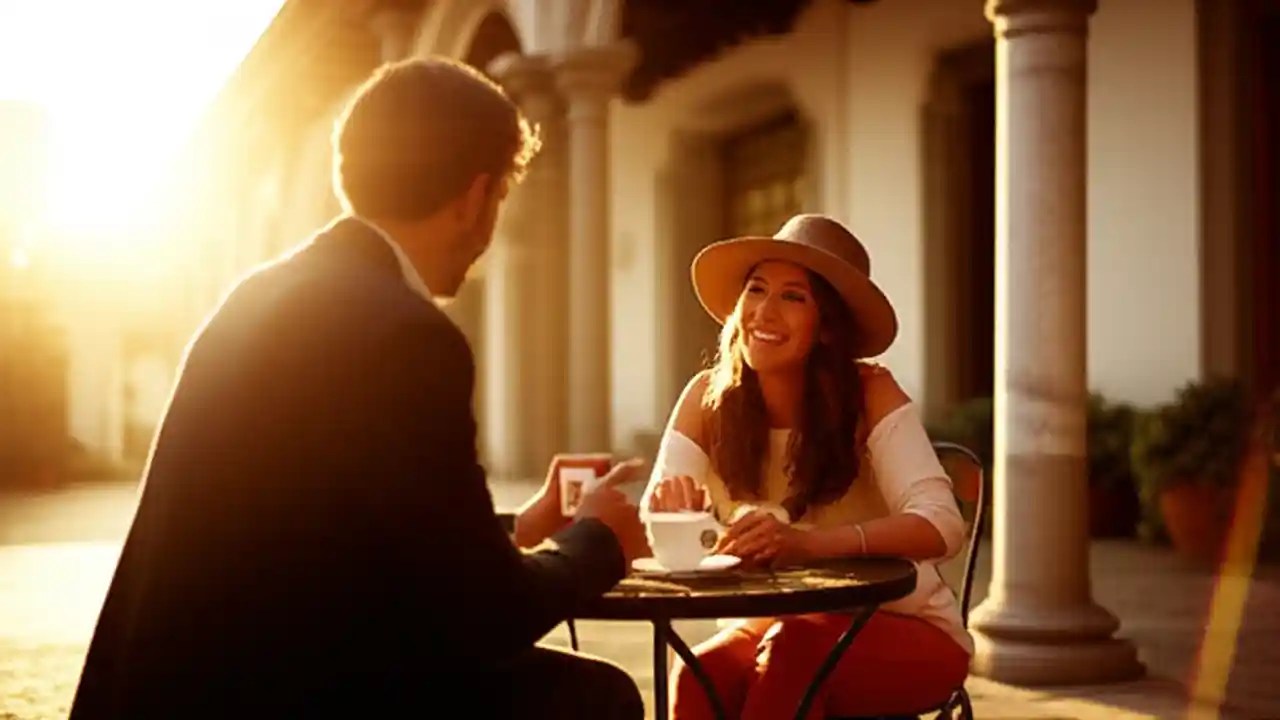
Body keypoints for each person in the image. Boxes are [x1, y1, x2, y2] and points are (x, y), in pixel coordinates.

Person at [68, 57, 646, 720]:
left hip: (177, 686)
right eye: (500, 200)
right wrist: (599, 538)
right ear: (475, 198)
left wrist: (519, 530)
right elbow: (488, 616)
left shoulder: (263, 293)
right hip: (284, 691)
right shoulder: (405, 333)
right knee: (593, 697)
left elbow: (348, 531)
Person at [641, 214, 973, 719]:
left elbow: (943, 525)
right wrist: (676, 515)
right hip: (770, 624)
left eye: (793, 297)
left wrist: (808, 546)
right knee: (696, 678)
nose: (765, 312)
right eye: (756, 290)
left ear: (827, 327)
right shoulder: (705, 399)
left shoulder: (871, 393)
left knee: (795, 654)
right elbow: (659, 507)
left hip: (903, 625)